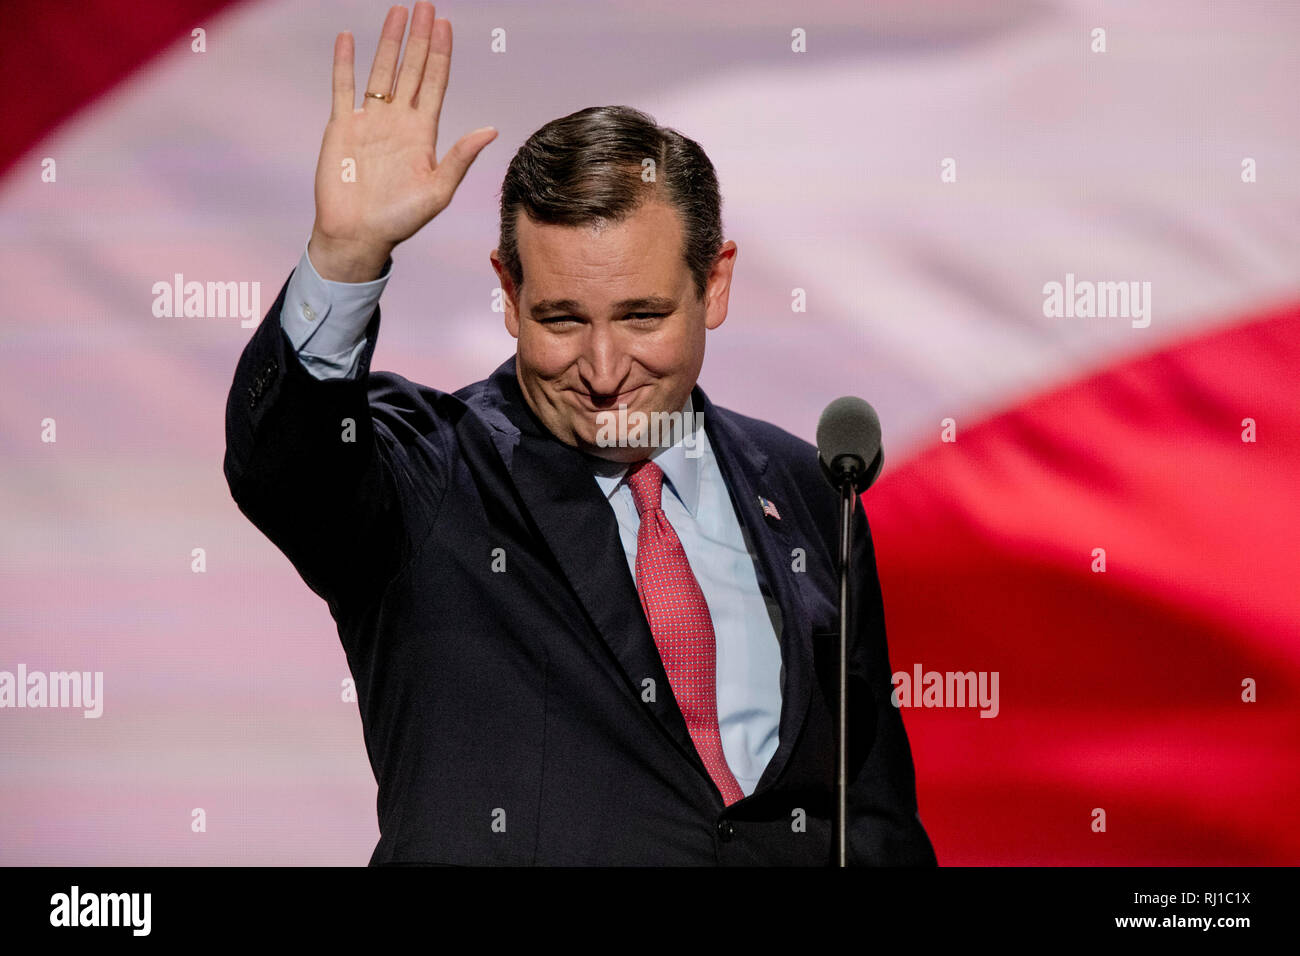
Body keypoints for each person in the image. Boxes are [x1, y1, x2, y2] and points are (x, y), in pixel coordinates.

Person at [223, 1, 936, 865]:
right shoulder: (431, 472)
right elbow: (285, 467)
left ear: (714, 284)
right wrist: (343, 259)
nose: (603, 369)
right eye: (561, 319)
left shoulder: (809, 485)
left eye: (642, 315)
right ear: (509, 292)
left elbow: (873, 813)